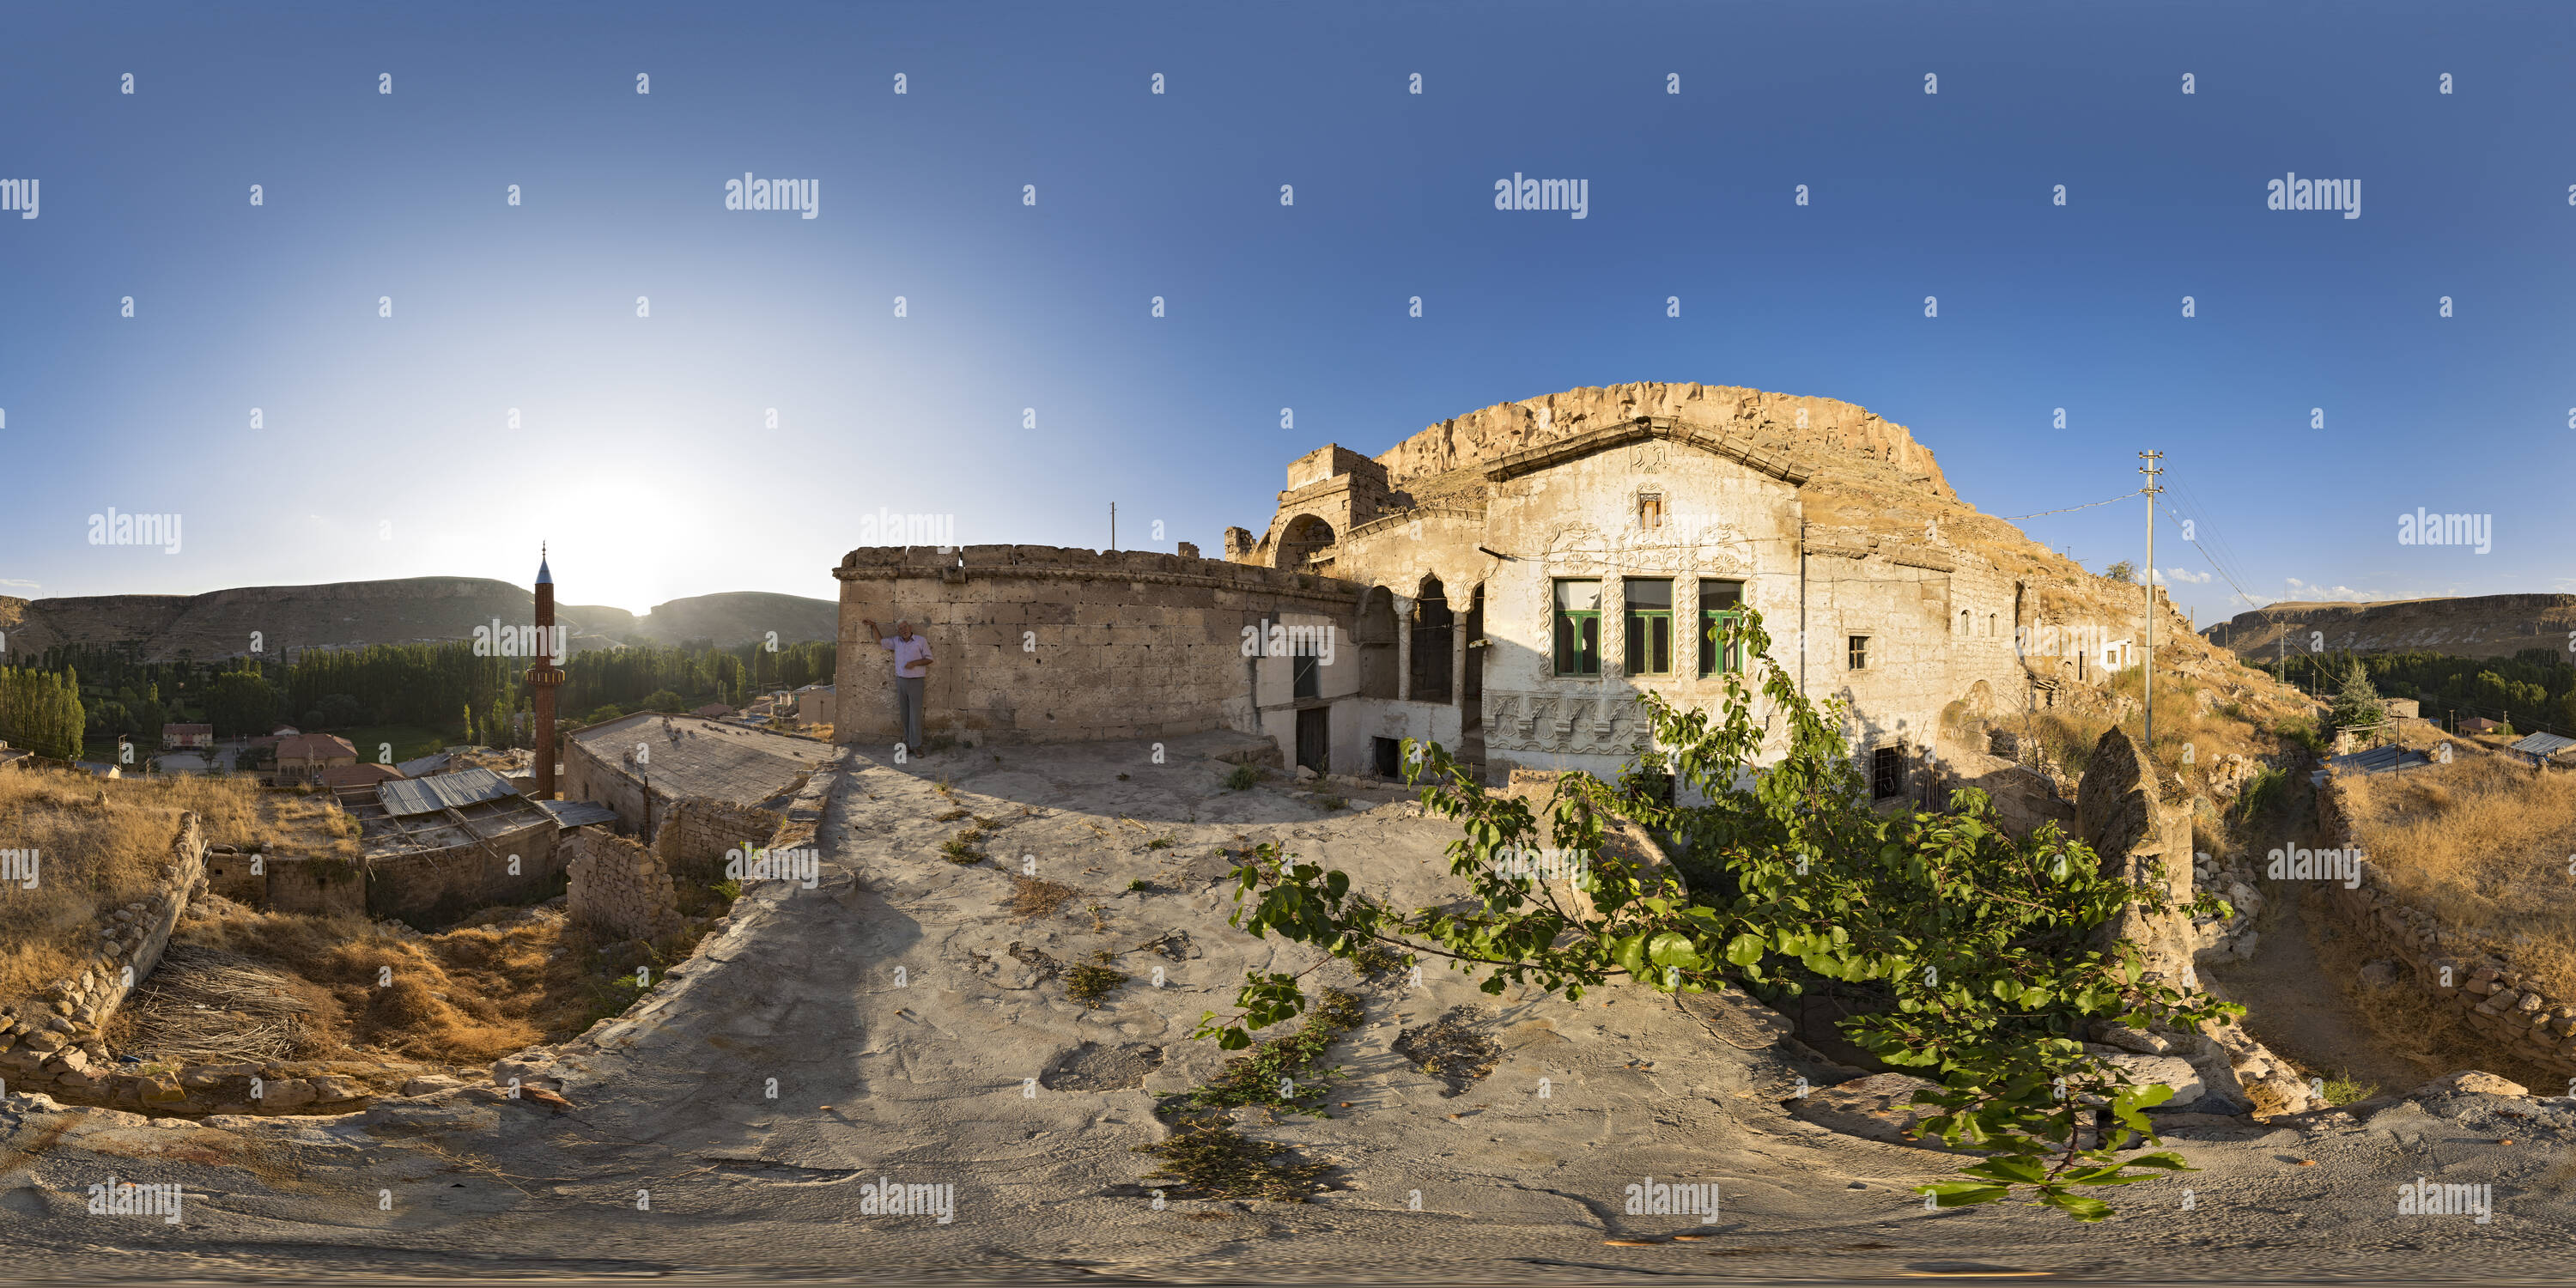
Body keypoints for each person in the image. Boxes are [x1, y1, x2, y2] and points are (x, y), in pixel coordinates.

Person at [861, 617, 934, 755]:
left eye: (905, 627)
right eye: (900, 629)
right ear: (898, 632)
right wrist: (874, 626)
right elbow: (880, 641)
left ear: (910, 627)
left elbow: (929, 659)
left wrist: (915, 663)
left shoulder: (920, 641)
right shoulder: (896, 642)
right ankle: (908, 743)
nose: (903, 630)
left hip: (916, 681)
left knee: (915, 715)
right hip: (901, 681)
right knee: (904, 714)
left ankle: (916, 746)